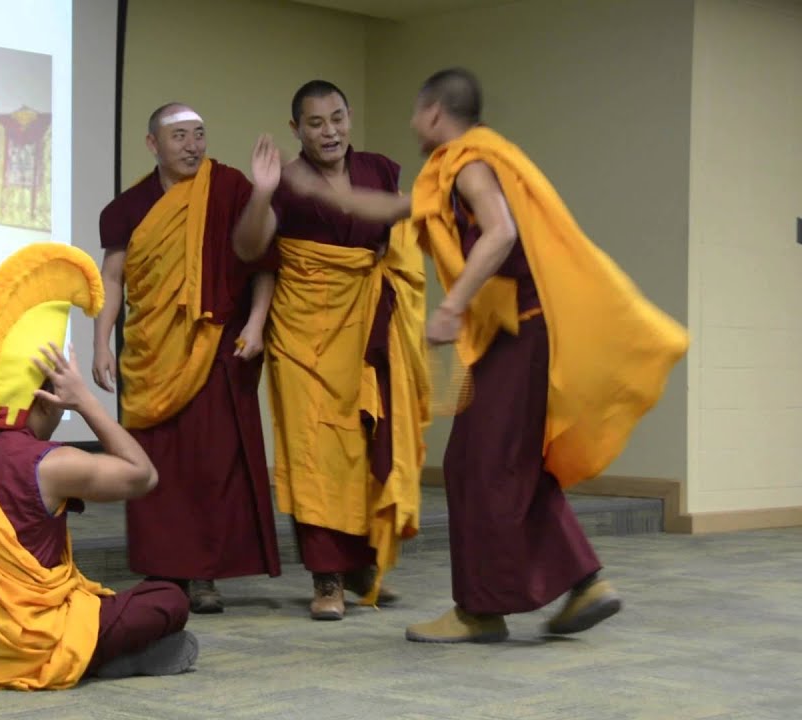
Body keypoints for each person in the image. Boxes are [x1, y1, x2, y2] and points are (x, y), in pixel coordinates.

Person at [286, 67, 688, 642]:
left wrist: (453, 305)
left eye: (414, 112)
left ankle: (486, 609)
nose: (409, 123)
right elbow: (397, 211)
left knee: (484, 467)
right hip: (507, 335)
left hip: (518, 332)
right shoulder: (450, 169)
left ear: (432, 113)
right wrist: (325, 193)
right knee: (493, 465)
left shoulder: (469, 162)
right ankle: (575, 583)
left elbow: (498, 232)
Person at [0, 243, 196, 690]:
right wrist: (87, 401)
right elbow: (144, 475)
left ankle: (101, 652)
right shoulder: (50, 464)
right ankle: (92, 656)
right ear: (48, 395)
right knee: (167, 598)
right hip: (30, 640)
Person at [231, 81, 430, 620]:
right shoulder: (288, 182)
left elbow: (399, 241)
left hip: (367, 323)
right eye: (315, 123)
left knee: (368, 442)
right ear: (297, 129)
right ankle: (326, 580)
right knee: (314, 452)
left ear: (349, 118)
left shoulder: (381, 170)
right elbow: (249, 248)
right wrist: (261, 192)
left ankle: (365, 566)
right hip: (303, 331)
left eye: (337, 118)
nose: (330, 131)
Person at [92, 103, 280, 614]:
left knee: (213, 465)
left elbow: (262, 261)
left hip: (216, 345)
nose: (193, 146)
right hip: (152, 352)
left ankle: (205, 576)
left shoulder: (230, 189)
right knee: (158, 467)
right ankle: (165, 569)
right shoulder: (128, 208)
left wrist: (257, 323)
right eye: (179, 137)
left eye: (199, 134)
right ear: (154, 144)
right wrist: (100, 340)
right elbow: (113, 280)